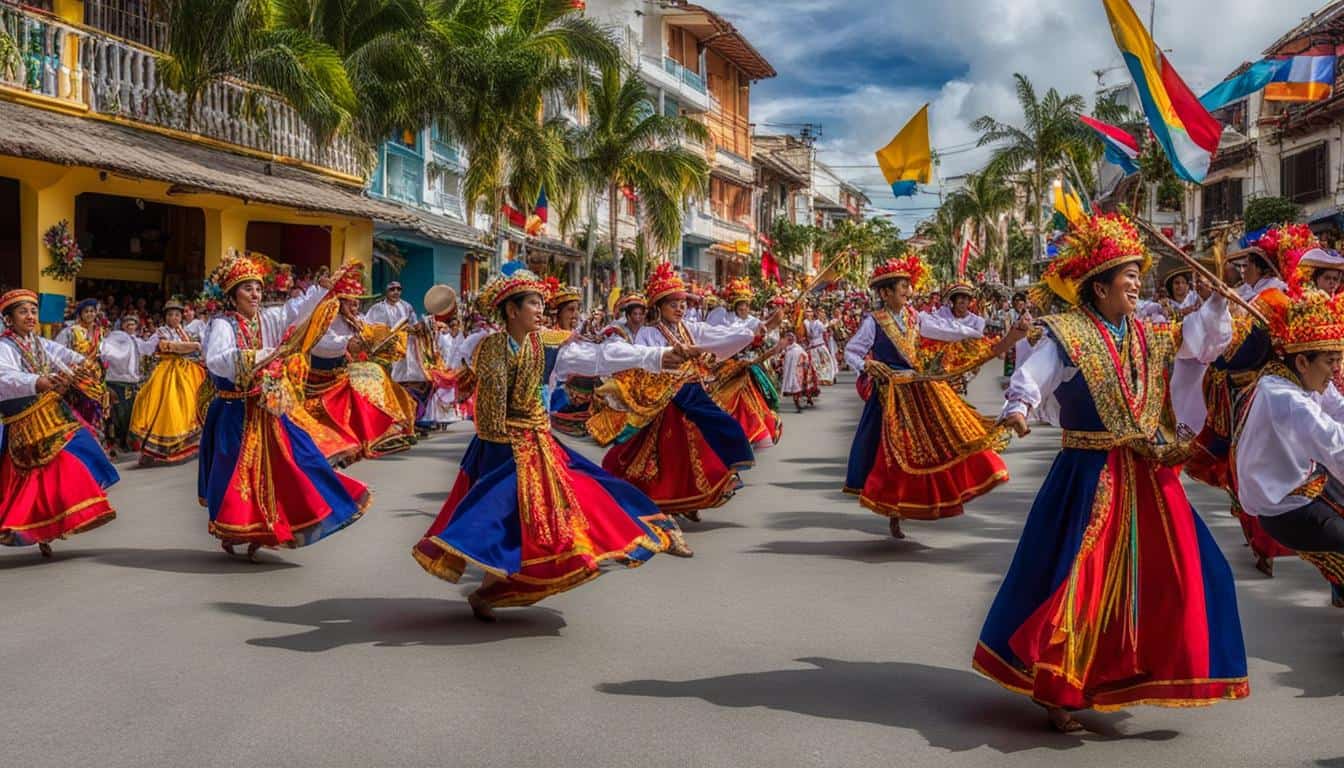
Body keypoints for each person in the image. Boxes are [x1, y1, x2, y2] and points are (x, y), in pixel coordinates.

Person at [974, 214, 1245, 732]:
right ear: (1099, 287)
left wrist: (1216, 300)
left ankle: (1144, 670)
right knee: (1083, 578)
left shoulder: (1147, 331)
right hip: (1088, 475)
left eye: (1137, 273)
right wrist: (1018, 407)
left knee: (1186, 570)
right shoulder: (1068, 333)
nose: (1137, 281)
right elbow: (1035, 374)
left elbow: (1196, 343)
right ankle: (1059, 688)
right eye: (1127, 275)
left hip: (1146, 475)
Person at [411, 268, 685, 621]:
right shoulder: (484, 346)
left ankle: (492, 591)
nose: (541, 309)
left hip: (531, 441)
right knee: (500, 520)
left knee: (577, 495)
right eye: (533, 303)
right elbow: (462, 368)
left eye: (542, 302)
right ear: (512, 310)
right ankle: (491, 590)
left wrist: (657, 357)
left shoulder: (552, 346)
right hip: (493, 445)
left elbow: (600, 358)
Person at [199, 253, 370, 561]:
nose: (255, 294)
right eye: (247, 288)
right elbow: (216, 360)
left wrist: (321, 290)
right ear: (232, 294)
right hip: (234, 411)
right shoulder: (222, 325)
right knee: (236, 474)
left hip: (267, 408)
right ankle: (236, 527)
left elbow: (296, 311)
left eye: (257, 288)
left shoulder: (267, 318)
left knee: (296, 460)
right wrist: (260, 357)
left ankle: (272, 525)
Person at [843, 256, 1025, 539]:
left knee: (944, 437)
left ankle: (932, 496)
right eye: (900, 286)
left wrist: (983, 333)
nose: (906, 290)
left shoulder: (917, 318)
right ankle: (894, 509)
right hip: (889, 395)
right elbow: (851, 351)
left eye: (907, 285)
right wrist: (866, 364)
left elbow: (949, 332)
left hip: (918, 388)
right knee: (894, 452)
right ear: (885, 293)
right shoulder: (874, 322)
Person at [594, 262, 781, 527]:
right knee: (665, 458)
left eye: (682, 303)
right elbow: (639, 365)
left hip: (690, 394)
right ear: (658, 307)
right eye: (674, 304)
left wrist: (758, 329)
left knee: (703, 444)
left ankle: (694, 497)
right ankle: (671, 502)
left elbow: (721, 336)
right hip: (665, 402)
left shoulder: (691, 328)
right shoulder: (648, 334)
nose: (680, 308)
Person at [1231, 286, 1344, 609]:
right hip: (1288, 509)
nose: (1336, 371)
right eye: (1331, 361)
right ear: (1303, 361)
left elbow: (1337, 408)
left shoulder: (1293, 379)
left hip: (1307, 488)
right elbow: (1335, 446)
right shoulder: (1286, 397)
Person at [0, 289, 119, 557]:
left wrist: (83, 364)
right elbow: (4, 378)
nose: (30, 316)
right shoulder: (4, 347)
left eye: (32, 311)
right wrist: (36, 382)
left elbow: (62, 356)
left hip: (50, 414)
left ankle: (54, 523)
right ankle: (32, 527)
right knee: (36, 476)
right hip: (24, 421)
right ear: (8, 319)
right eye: (23, 312)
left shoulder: (38, 342)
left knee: (78, 450)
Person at [302, 266, 418, 464]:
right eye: (352, 304)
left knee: (376, 374)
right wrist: (348, 343)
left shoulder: (355, 320)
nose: (356, 309)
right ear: (340, 303)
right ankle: (365, 434)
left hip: (344, 371)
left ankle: (381, 429)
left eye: (357, 305)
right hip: (324, 377)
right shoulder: (327, 319)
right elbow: (321, 343)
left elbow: (370, 333)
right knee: (368, 377)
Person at [128, 299, 208, 466]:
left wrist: (194, 347)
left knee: (187, 407)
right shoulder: (161, 332)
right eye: (171, 314)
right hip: (166, 372)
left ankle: (182, 446)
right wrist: (194, 345)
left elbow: (188, 349)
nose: (174, 317)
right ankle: (156, 450)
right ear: (165, 317)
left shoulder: (183, 331)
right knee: (164, 407)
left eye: (177, 315)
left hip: (184, 371)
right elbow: (166, 347)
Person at [710, 279, 784, 447]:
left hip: (745, 366)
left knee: (756, 396)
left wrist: (776, 318)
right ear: (734, 305)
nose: (743, 308)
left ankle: (758, 428)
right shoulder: (723, 318)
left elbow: (765, 327)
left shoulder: (752, 320)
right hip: (723, 366)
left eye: (746, 304)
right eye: (740, 304)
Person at [100, 315, 159, 457]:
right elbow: (109, 351)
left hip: (132, 382)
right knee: (117, 413)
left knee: (129, 413)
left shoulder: (136, 341)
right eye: (127, 323)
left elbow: (148, 348)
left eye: (133, 324)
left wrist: (157, 335)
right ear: (123, 325)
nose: (130, 326)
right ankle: (116, 441)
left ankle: (126, 441)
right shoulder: (117, 337)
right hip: (116, 380)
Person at [56, 298, 110, 448]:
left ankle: (98, 444)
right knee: (81, 409)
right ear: (80, 314)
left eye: (92, 311)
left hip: (96, 376)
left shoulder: (100, 332)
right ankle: (82, 445)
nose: (90, 314)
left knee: (97, 410)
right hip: (77, 377)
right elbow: (61, 352)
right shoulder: (71, 331)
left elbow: (105, 351)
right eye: (86, 311)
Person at [778, 328, 818, 413]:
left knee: (802, 387)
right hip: (793, 374)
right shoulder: (787, 350)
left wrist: (806, 366)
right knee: (796, 389)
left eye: (791, 339)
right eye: (788, 339)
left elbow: (806, 357)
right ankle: (798, 405)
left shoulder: (798, 348)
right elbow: (784, 361)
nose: (790, 340)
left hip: (800, 371)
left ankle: (807, 400)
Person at [804, 307, 838, 385]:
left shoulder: (810, 323)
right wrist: (830, 324)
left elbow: (810, 334)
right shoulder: (817, 323)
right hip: (819, 345)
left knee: (817, 363)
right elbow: (824, 329)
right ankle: (825, 378)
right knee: (826, 362)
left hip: (813, 346)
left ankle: (819, 379)